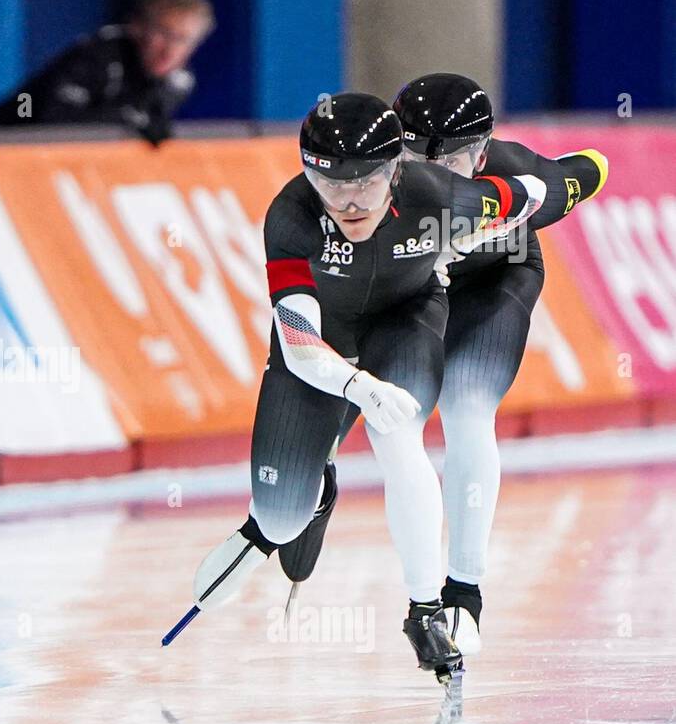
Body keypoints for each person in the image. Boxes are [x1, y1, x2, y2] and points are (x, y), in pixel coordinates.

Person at [169, 93, 545, 682]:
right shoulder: (291, 216)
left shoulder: (437, 195)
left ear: (396, 170)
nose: (348, 200)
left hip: (408, 318)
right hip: (327, 342)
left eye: (365, 181)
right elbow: (297, 341)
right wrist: (356, 386)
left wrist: (478, 234)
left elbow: (535, 193)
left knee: (398, 437)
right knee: (279, 518)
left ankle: (425, 609)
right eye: (329, 181)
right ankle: (307, 499)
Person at [390, 73, 608, 653]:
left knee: (465, 406)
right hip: (414, 291)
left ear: (483, 153)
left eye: (454, 160)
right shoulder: (366, 188)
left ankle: (465, 589)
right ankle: (421, 595)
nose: (433, 172)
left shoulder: (514, 172)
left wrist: (561, 183)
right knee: (394, 418)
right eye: (414, 156)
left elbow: (590, 167)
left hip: (494, 280)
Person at [0, 0, 214, 145]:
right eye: (163, 34)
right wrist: (126, 120)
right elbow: (54, 119)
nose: (170, 51)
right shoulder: (97, 57)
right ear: (136, 27)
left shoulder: (179, 82)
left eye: (184, 40)